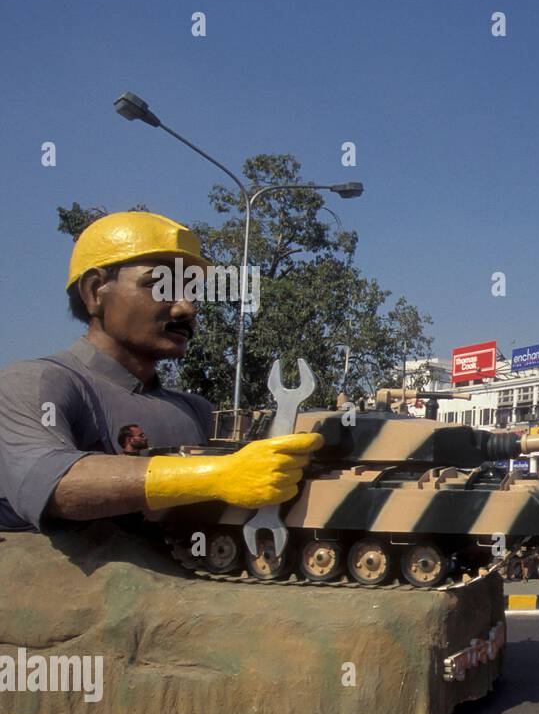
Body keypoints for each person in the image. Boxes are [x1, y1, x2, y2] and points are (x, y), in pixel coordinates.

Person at [0, 212, 321, 533]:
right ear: (95, 290)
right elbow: (53, 483)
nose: (187, 308)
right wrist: (214, 475)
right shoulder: (39, 382)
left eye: (192, 289)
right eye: (160, 285)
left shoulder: (196, 411)